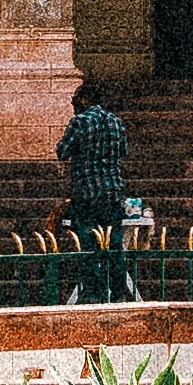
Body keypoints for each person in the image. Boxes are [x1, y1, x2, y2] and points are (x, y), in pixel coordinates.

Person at [56, 79, 131, 302]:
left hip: (87, 194)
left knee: (88, 245)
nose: (73, 104)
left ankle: (92, 292)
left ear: (85, 99)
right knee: (114, 245)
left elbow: (62, 151)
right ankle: (119, 292)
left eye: (75, 99)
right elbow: (123, 151)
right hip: (112, 194)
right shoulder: (116, 122)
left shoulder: (80, 122)